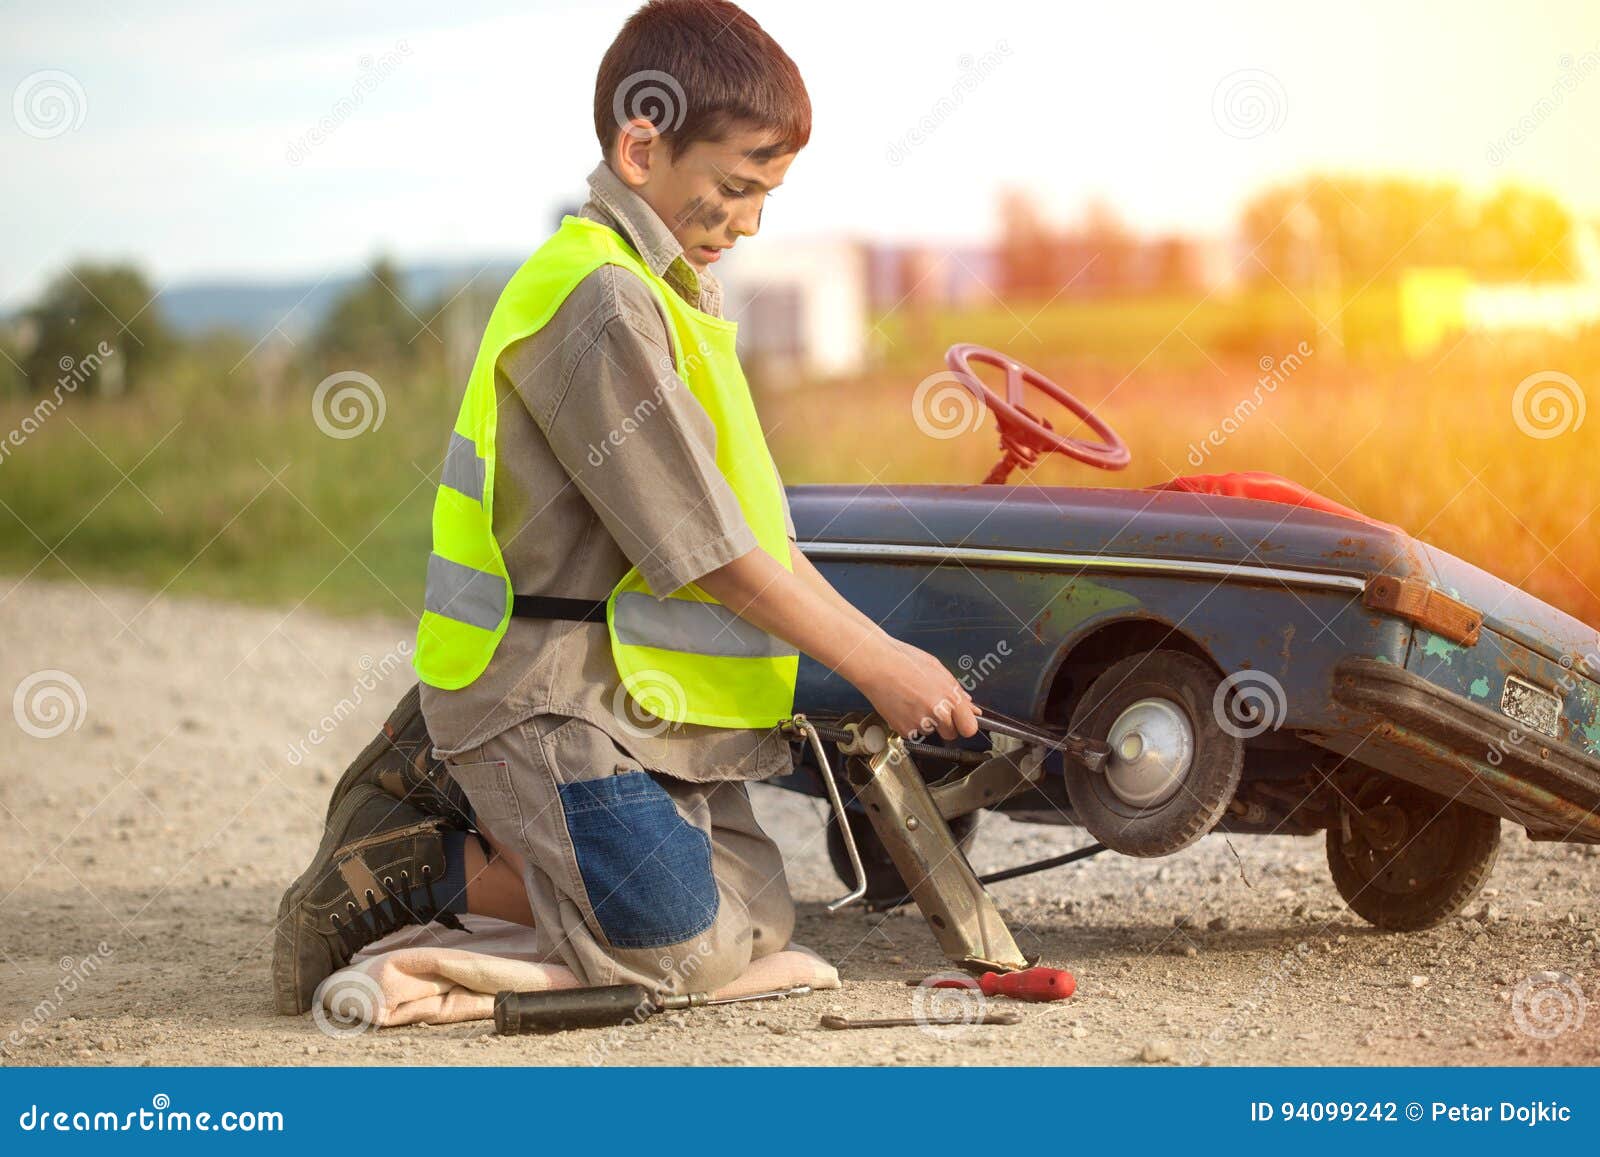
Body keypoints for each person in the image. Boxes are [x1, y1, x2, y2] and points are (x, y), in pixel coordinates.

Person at [273, 0, 978, 1017]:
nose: (750, 221)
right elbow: (713, 558)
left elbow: (763, 545)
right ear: (640, 145)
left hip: (625, 705)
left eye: (767, 194)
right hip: (538, 693)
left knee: (764, 914)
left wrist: (889, 661)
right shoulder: (599, 302)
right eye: (735, 187)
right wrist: (875, 662)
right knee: (683, 951)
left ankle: (522, 858)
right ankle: (413, 853)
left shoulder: (672, 296)